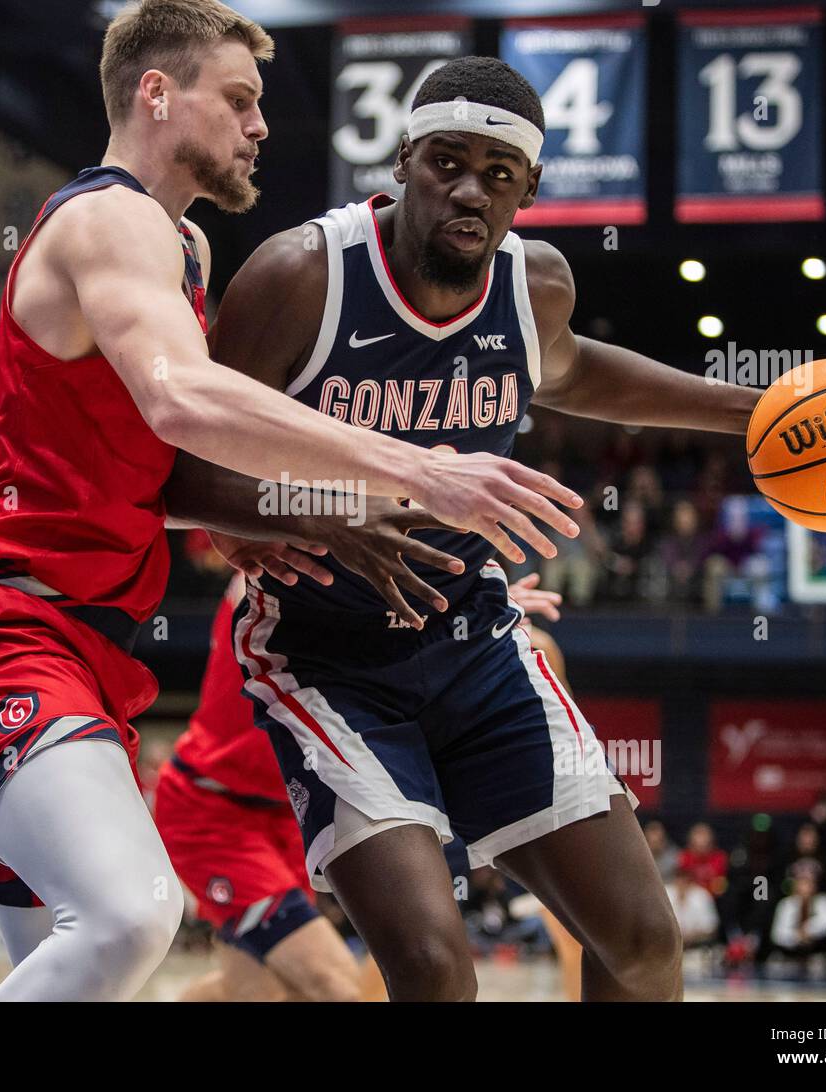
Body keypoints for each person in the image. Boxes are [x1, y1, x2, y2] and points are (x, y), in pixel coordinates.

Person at [0, 1, 580, 1002]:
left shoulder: (184, 250)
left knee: (80, 968)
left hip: (90, 646)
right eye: (241, 99)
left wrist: (451, 579)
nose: (261, 125)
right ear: (157, 93)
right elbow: (183, 401)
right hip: (5, 624)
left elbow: (169, 478)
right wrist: (419, 467)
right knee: (135, 917)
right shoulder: (108, 219)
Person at [177, 53, 764, 1000]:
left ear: (528, 190)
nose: (469, 189)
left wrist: (750, 412)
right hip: (326, 661)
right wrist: (336, 515)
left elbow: (578, 371)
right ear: (403, 158)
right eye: (446, 161)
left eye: (499, 175)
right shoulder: (299, 276)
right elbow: (183, 473)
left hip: (475, 641)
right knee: (434, 970)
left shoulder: (535, 290)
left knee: (643, 942)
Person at [157, 570, 580, 1001]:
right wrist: (453, 606)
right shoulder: (271, 568)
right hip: (213, 810)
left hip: (287, 815)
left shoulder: (358, 594)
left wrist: (468, 604)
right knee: (336, 987)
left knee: (251, 993)